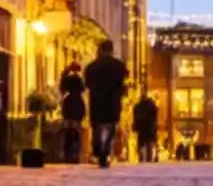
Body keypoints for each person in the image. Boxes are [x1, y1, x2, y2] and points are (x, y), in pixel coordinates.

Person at [84, 40, 128, 168]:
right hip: (113, 100)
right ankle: (105, 150)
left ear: (101, 50)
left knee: (97, 126)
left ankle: (98, 149)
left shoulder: (92, 66)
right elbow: (124, 82)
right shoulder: (119, 66)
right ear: (111, 50)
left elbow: (87, 83)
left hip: (97, 100)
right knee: (111, 127)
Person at [59, 63, 86, 164]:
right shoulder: (79, 82)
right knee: (76, 130)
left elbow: (62, 88)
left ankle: (67, 153)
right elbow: (83, 88)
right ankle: (75, 153)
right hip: (77, 106)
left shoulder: (68, 97)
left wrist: (65, 72)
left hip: (69, 106)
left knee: (67, 130)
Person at [132, 93, 159, 163]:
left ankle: (141, 157)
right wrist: (154, 124)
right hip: (150, 125)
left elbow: (135, 117)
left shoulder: (137, 106)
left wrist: (135, 125)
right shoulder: (152, 105)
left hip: (141, 126)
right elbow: (155, 116)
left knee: (141, 142)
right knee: (151, 141)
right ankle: (151, 157)